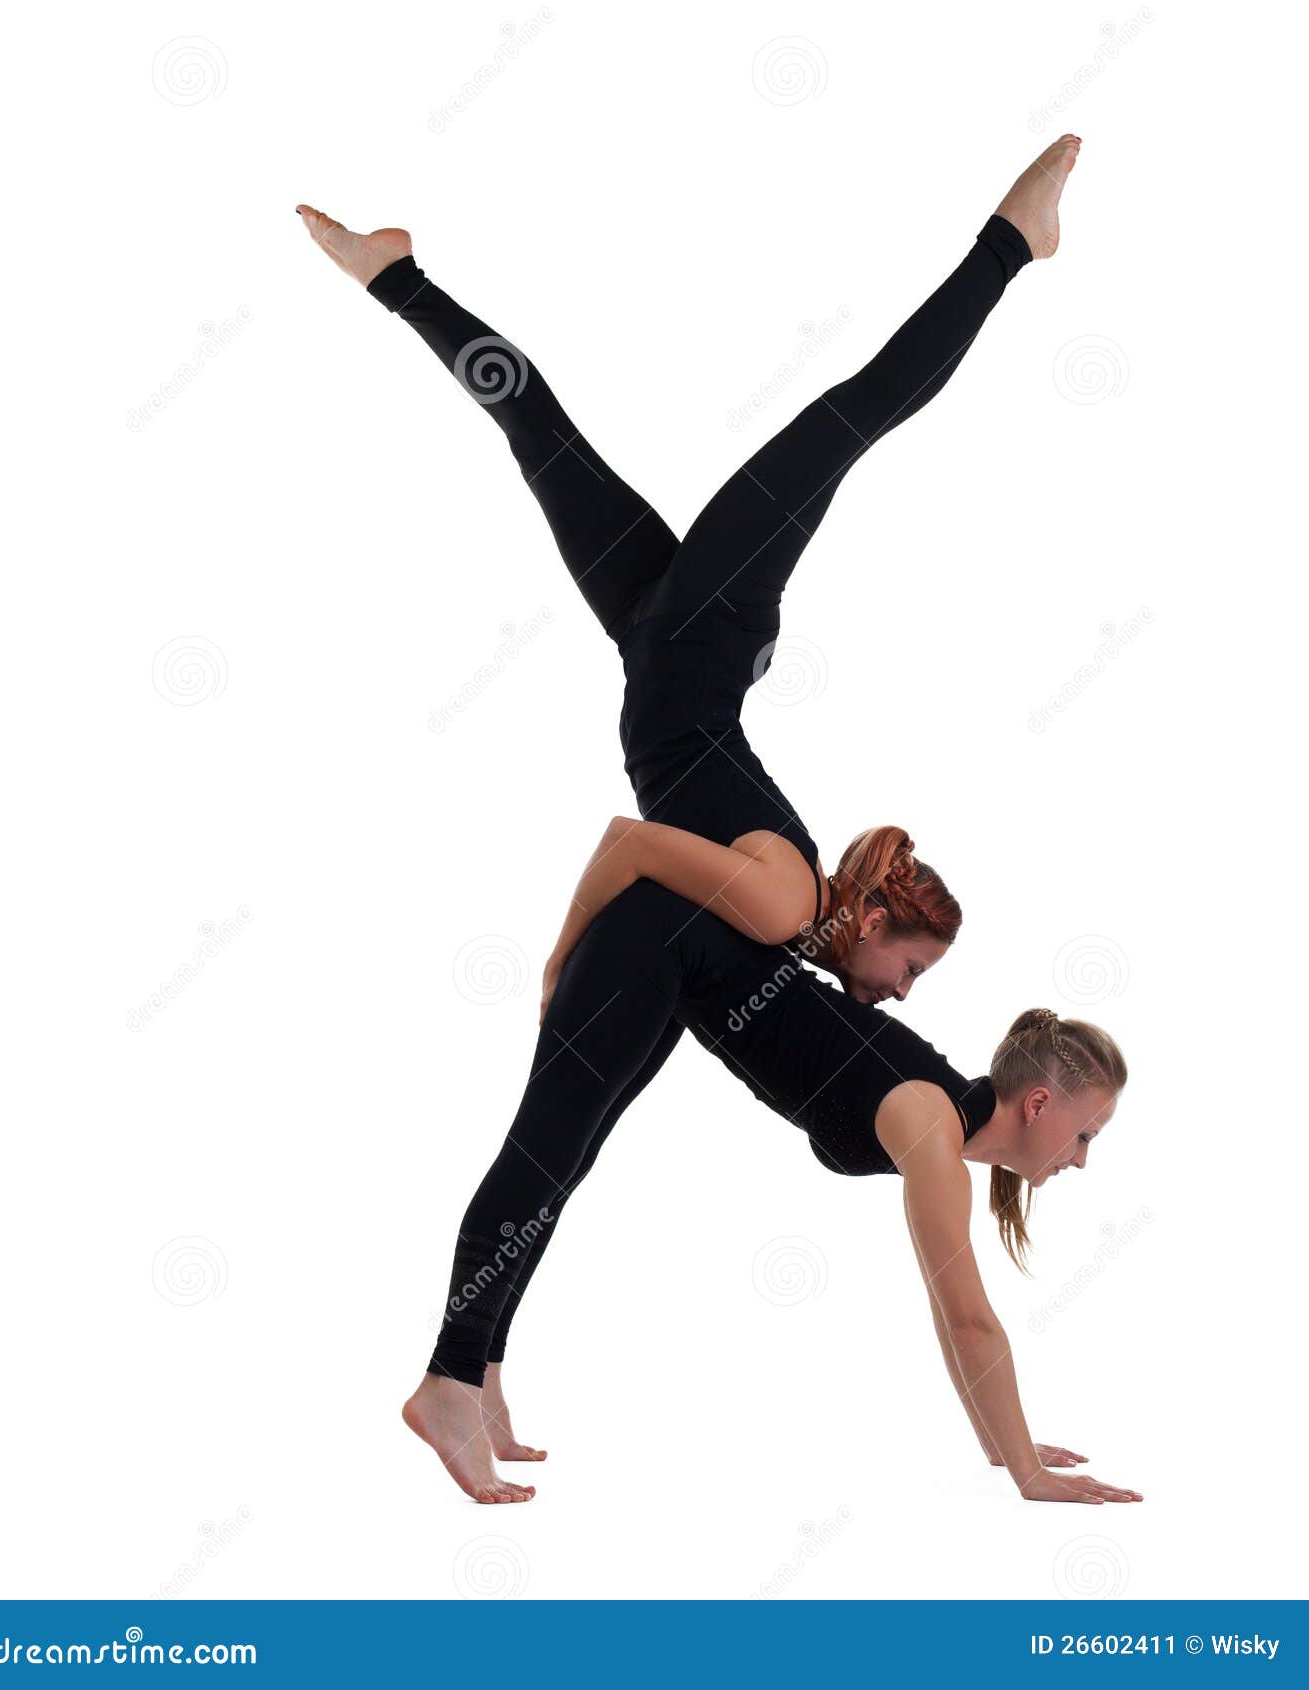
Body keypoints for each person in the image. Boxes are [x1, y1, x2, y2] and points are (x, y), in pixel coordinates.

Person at [297, 135, 1142, 1508]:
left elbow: (645, 849)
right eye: (908, 966)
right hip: (706, 632)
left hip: (684, 653)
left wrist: (586, 956)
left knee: (547, 438)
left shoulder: (829, 966)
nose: (899, 987)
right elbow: (629, 846)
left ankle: (395, 276)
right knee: (853, 412)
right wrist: (564, 963)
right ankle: (1010, 242)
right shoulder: (791, 908)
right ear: (1036, 1103)